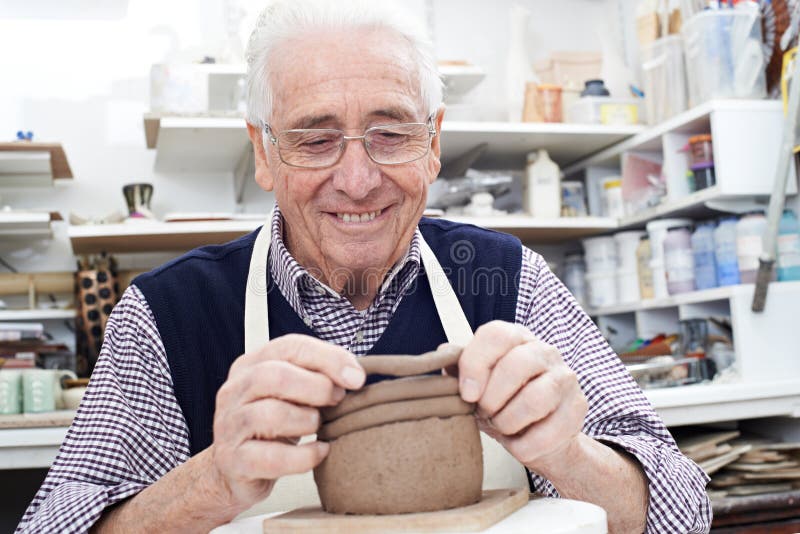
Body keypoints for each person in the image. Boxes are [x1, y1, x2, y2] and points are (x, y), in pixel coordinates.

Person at [17, 1, 711, 532]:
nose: (357, 178)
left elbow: (685, 513)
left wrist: (568, 454)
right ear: (263, 152)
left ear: (433, 142)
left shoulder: (503, 279)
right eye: (316, 139)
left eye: (391, 133)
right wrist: (210, 483)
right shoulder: (169, 316)